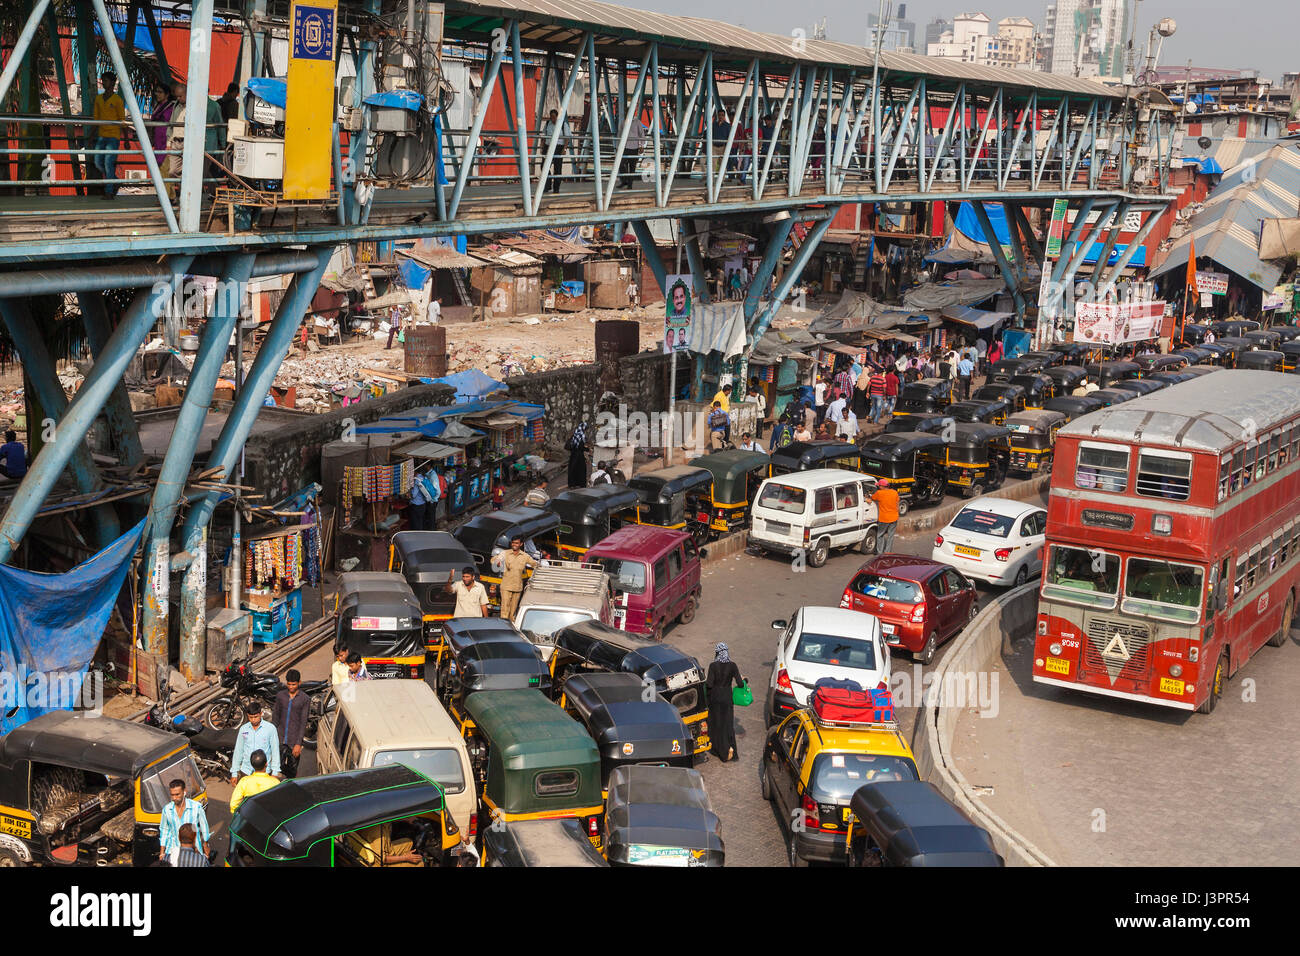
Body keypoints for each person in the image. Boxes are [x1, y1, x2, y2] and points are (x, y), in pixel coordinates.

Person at [705, 643, 745, 762]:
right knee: (727, 724)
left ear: (717, 653)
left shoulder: (713, 665)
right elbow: (740, 684)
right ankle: (730, 747)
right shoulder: (733, 666)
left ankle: (719, 749)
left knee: (717, 723)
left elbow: (709, 684)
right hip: (727, 698)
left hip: (715, 698)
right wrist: (744, 679)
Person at [91, 73, 127, 198]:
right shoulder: (99, 99)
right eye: (103, 80)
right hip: (101, 135)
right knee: (98, 162)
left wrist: (126, 139)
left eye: (105, 80)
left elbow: (122, 120)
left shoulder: (117, 100)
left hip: (113, 136)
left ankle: (109, 191)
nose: (103, 83)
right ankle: (115, 181)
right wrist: (91, 135)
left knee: (108, 163)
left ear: (112, 82)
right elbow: (96, 118)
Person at [159, 778, 209, 865]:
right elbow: (164, 831)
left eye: (177, 794)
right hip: (172, 850)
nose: (174, 798)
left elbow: (204, 828)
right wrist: (162, 852)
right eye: (172, 795)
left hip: (194, 849)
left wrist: (206, 846)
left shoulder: (196, 807)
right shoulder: (167, 810)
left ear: (184, 791)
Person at [272, 669, 310, 778]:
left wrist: (298, 743)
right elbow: (275, 717)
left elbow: (303, 722)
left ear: (299, 683)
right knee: (275, 769)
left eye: (294, 684)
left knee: (292, 772)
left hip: (294, 741)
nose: (291, 687)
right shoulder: (280, 696)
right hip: (280, 738)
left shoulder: (305, 699)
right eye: (289, 684)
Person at [231, 704, 281, 785]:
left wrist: (275, 772)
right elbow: (238, 751)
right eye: (251, 717)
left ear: (261, 714)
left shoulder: (270, 729)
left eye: (256, 717)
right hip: (246, 771)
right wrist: (234, 773)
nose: (253, 720)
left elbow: (275, 751)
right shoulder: (243, 729)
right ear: (247, 716)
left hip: (264, 773)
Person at [497, 536, 539, 622]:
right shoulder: (505, 553)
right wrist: (497, 562)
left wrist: (541, 565)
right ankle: (503, 626)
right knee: (505, 610)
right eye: (513, 543)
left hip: (517, 587)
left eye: (516, 543)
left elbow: (534, 564)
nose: (514, 545)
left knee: (513, 612)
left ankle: (511, 628)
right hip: (506, 586)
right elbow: (496, 559)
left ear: (521, 544)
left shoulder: (525, 556)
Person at [539, 108, 569, 193]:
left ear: (557, 117)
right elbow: (544, 135)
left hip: (558, 147)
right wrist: (541, 146)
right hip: (548, 146)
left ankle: (556, 188)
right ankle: (547, 185)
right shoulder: (548, 123)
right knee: (544, 166)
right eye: (551, 117)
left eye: (554, 117)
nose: (552, 119)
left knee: (557, 168)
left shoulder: (563, 124)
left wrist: (564, 149)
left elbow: (567, 138)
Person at [872, 478, 901, 554]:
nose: (878, 487)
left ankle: (879, 553)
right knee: (890, 536)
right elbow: (897, 504)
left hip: (884, 519)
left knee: (880, 535)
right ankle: (887, 553)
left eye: (879, 486)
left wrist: (867, 498)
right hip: (894, 518)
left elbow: (871, 498)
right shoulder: (894, 492)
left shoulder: (879, 493)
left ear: (882, 486)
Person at [566, 421, 589, 489]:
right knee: (581, 470)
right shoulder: (582, 436)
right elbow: (581, 447)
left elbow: (573, 446)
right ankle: (581, 484)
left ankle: (572, 484)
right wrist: (587, 449)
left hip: (573, 456)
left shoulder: (574, 435)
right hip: (579, 456)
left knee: (572, 469)